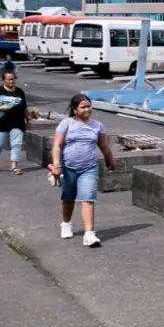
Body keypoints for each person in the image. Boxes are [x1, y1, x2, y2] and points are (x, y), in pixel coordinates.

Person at [49, 94, 116, 248]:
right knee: (68, 198)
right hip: (69, 167)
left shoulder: (97, 126)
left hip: (89, 167)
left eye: (89, 106)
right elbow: (57, 145)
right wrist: (57, 165)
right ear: (75, 110)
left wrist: (110, 161)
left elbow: (104, 146)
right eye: (83, 107)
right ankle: (66, 224)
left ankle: (89, 235)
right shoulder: (66, 124)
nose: (87, 109)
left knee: (88, 199)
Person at [0, 70, 28, 174]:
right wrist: (0, 108)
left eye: (13, 79)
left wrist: (28, 119)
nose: (11, 81)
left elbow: (24, 108)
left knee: (17, 144)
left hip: (17, 122)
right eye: (9, 79)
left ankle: (14, 166)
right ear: (3, 80)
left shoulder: (20, 92)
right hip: (0, 123)